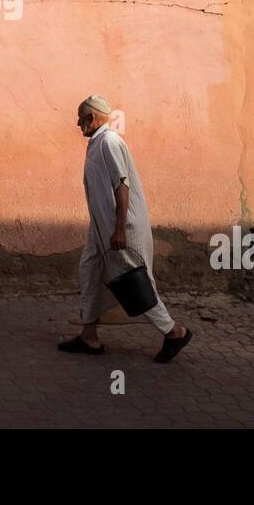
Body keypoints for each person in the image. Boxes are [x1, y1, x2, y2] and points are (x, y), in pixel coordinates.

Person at [58, 94, 194, 363]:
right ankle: (89, 336)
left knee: (135, 284)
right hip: (102, 231)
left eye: (80, 118)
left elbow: (122, 185)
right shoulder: (97, 143)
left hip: (121, 230)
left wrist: (119, 229)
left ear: (92, 117)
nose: (77, 123)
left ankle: (174, 332)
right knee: (90, 272)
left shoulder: (109, 142)